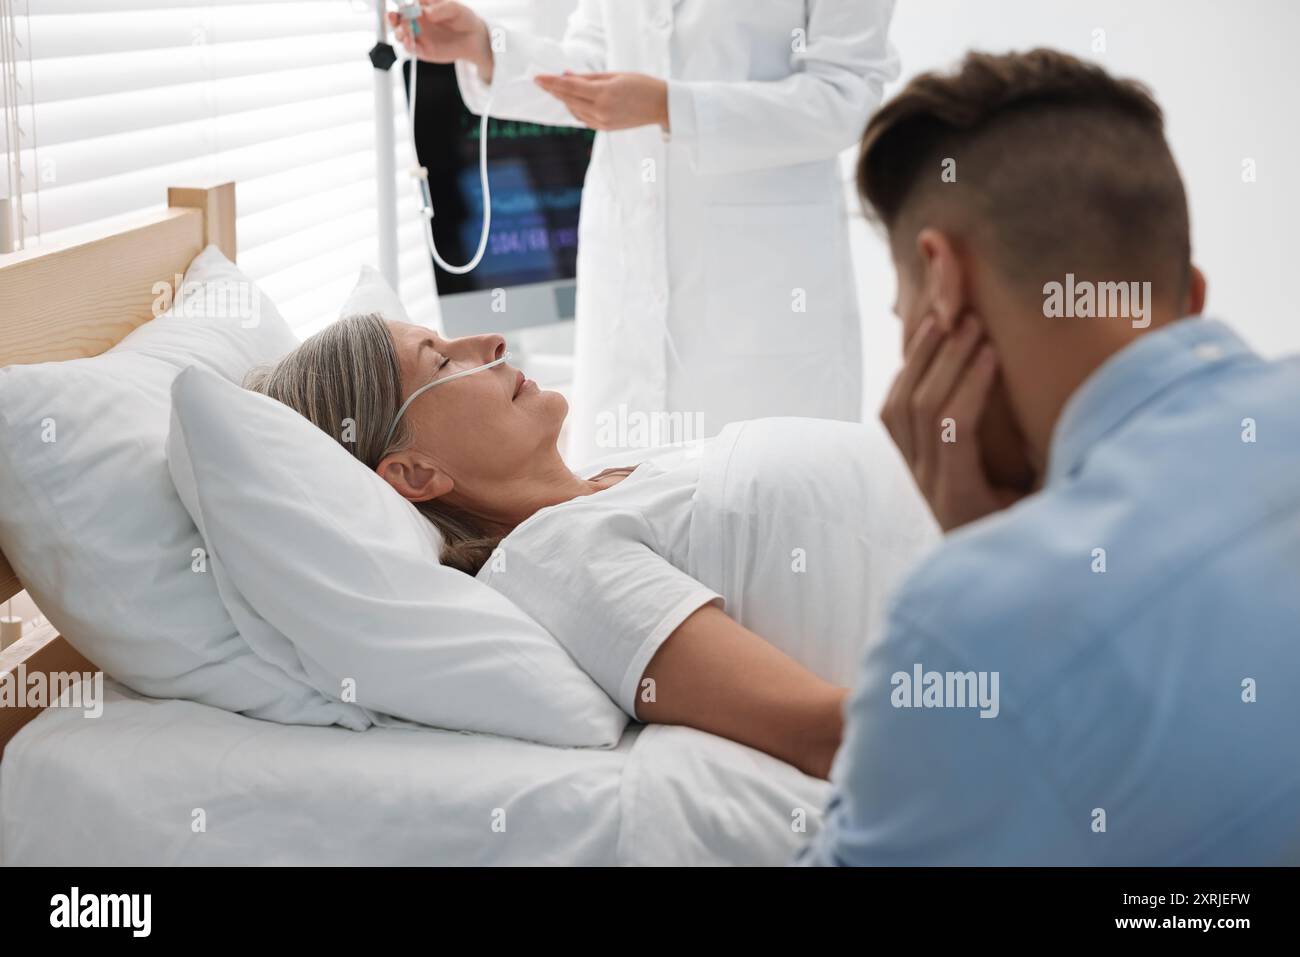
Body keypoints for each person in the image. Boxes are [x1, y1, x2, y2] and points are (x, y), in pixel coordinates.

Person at [800, 49, 1300, 864]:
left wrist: (980, 563)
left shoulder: (967, 623)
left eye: (903, 311)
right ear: (1189, 297)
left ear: (943, 284)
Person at [246, 312, 937, 780]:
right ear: (416, 472)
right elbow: (822, 732)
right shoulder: (554, 559)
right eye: (441, 359)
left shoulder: (611, 479)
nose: (489, 343)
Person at [389, 0, 900, 467]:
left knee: (768, 511)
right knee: (622, 513)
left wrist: (673, 107)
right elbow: (592, 65)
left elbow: (844, 94)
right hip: (627, 261)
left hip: (765, 290)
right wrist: (484, 45)